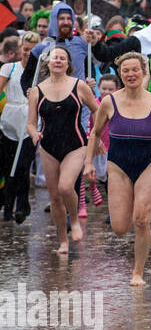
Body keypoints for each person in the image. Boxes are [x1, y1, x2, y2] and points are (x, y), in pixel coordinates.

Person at [84, 52, 151, 285]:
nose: (131, 74)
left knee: (141, 220)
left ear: (143, 72)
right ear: (120, 74)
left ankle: (138, 272)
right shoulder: (109, 102)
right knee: (120, 227)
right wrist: (89, 162)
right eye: (126, 71)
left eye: (135, 70)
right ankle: (131, 206)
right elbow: (95, 133)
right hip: (118, 165)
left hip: (148, 163)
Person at [27, 46, 99, 254]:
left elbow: (97, 111)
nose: (58, 61)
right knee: (55, 198)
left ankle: (74, 220)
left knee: (66, 187)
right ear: (47, 63)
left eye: (62, 58)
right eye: (54, 58)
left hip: (75, 144)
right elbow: (31, 123)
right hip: (48, 146)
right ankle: (63, 241)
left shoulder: (79, 86)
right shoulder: (37, 91)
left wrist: (96, 137)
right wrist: (34, 134)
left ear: (68, 64)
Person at [0, 33, 37, 222]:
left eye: (33, 49)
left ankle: (22, 206)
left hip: (30, 121)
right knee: (8, 166)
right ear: (21, 48)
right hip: (10, 119)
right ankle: (8, 205)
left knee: (23, 165)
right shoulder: (9, 67)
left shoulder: (40, 72)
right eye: (26, 49)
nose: (29, 53)